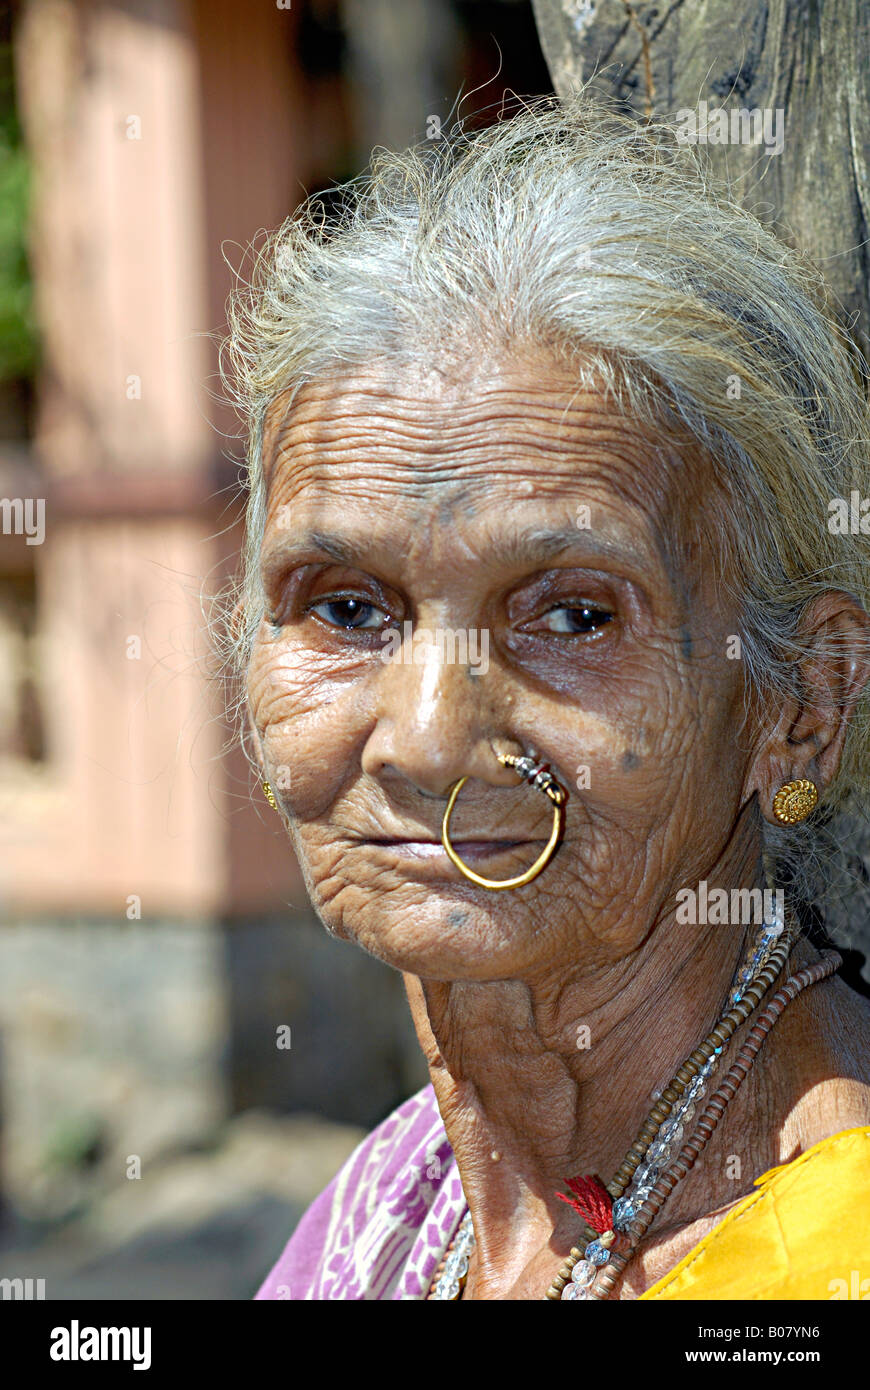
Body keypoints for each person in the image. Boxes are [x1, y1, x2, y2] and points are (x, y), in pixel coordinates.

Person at [223, 96, 870, 1299]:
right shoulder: (393, 1207)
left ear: (803, 703)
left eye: (573, 616)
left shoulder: (831, 1248)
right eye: (347, 608)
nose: (427, 741)